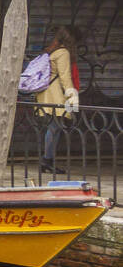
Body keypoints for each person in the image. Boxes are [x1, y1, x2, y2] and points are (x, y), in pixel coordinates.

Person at [36, 26, 79, 174]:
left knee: (54, 127)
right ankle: (47, 160)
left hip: (45, 93)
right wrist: (73, 98)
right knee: (55, 127)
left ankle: (47, 160)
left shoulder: (52, 51)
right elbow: (65, 77)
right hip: (54, 94)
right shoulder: (63, 53)